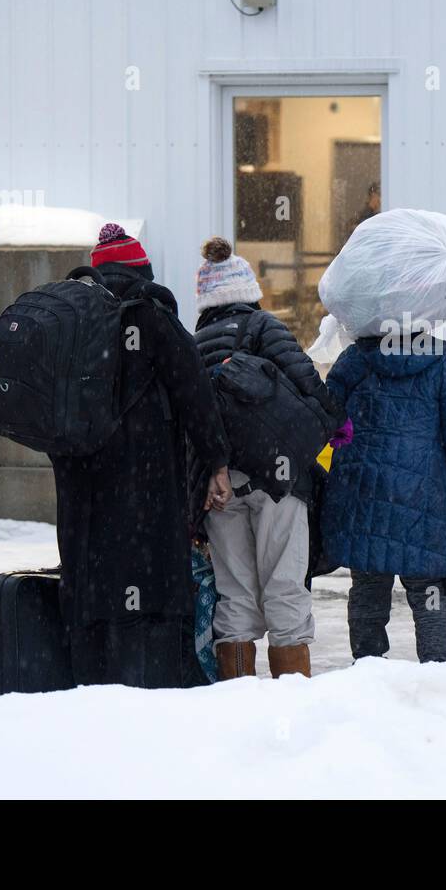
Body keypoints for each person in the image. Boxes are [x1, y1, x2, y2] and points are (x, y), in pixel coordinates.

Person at [49, 223, 232, 689]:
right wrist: (215, 462)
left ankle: (87, 684)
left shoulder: (68, 318)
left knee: (88, 582)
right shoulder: (151, 318)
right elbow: (196, 394)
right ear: (142, 272)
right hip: (143, 478)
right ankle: (143, 688)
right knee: (144, 586)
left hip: (78, 481)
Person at [188, 236, 342, 679]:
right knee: (285, 588)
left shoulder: (194, 344)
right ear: (248, 291)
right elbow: (309, 385)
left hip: (220, 483)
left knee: (234, 595)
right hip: (279, 480)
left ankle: (238, 699)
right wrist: (327, 427)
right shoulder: (263, 327)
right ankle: (292, 698)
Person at [322, 322, 446, 664]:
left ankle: (368, 670)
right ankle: (435, 676)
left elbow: (326, 416)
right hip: (425, 499)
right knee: (430, 591)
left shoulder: (354, 360)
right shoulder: (442, 364)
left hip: (365, 496)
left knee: (368, 590)